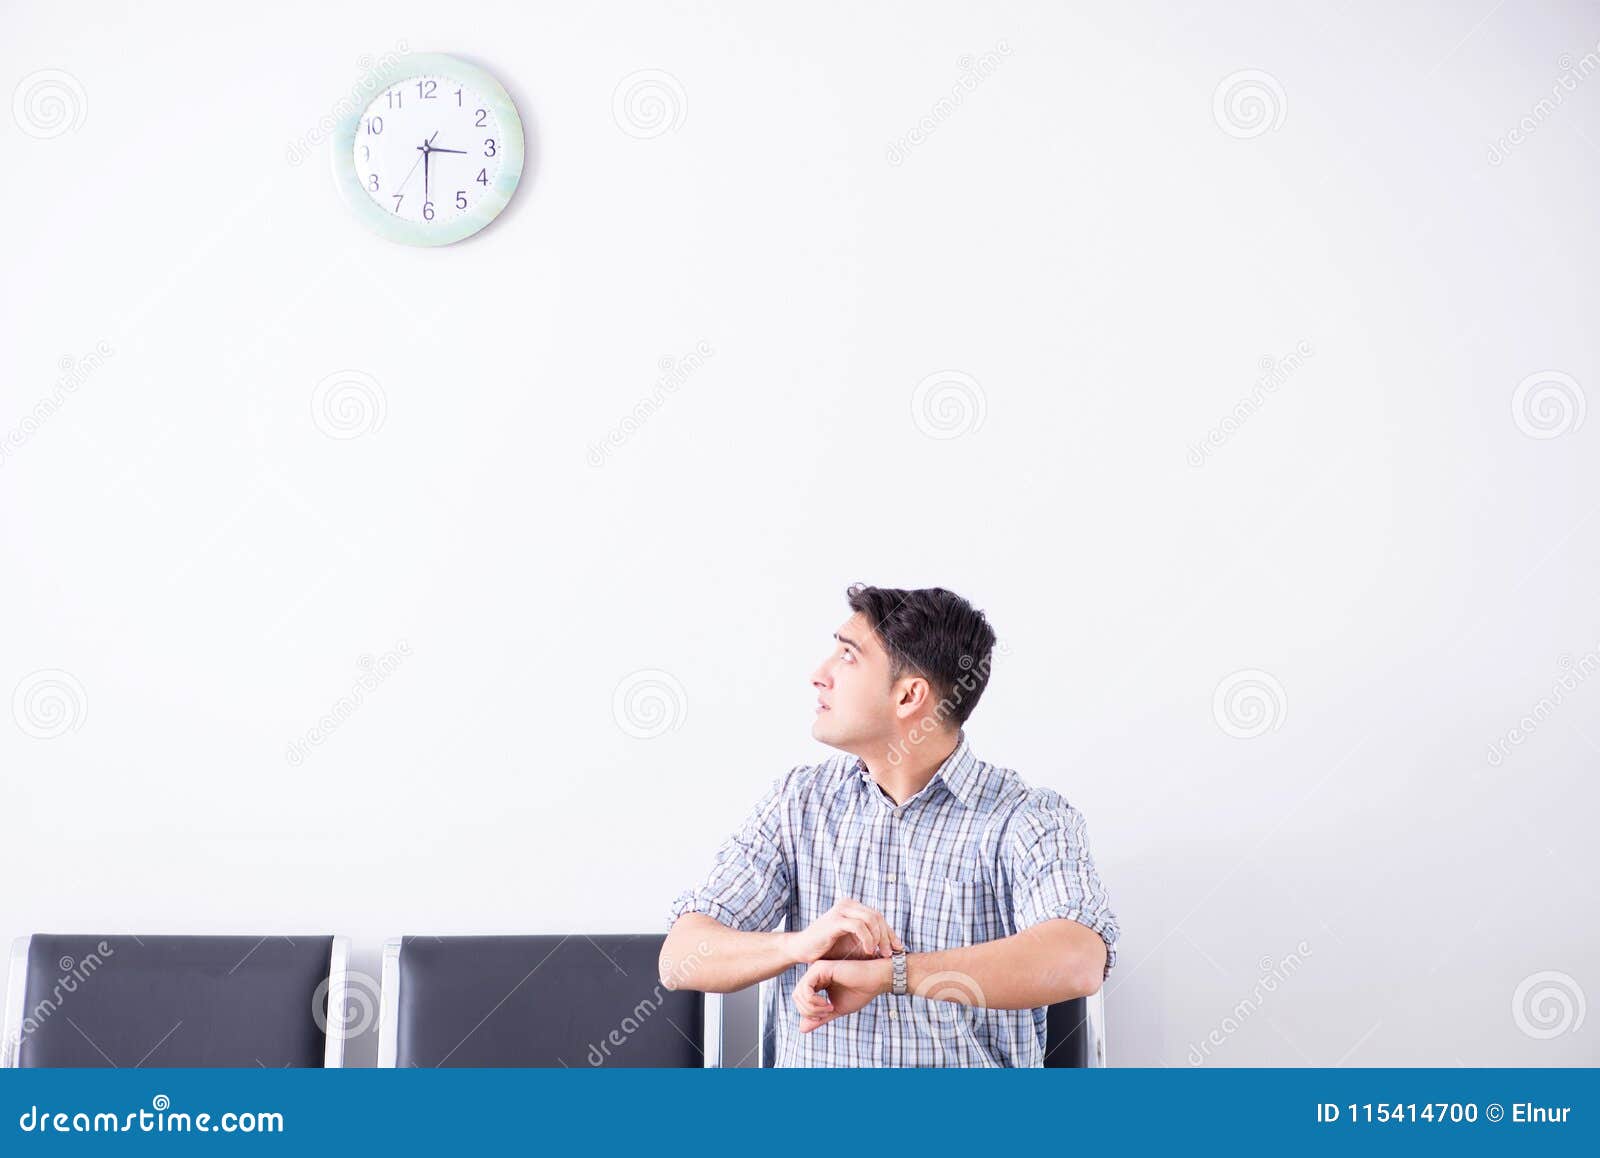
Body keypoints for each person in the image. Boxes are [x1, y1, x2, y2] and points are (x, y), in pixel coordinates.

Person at [661, 583, 1120, 1066]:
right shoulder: (797, 802)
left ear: (908, 696)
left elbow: (1077, 960)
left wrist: (893, 974)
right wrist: (797, 946)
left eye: (847, 656)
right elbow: (680, 958)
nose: (819, 675)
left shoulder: (1028, 818)